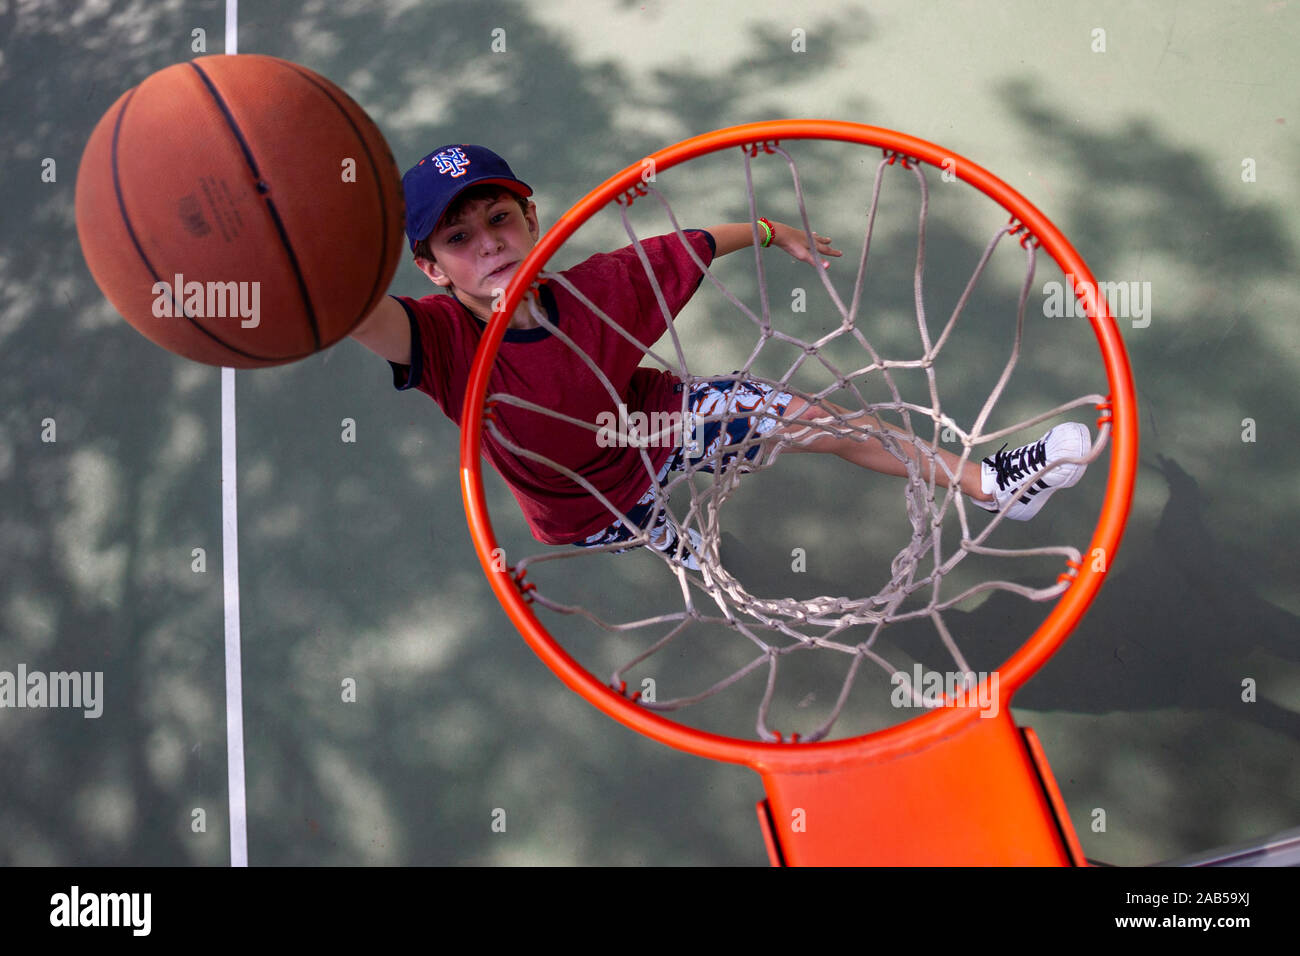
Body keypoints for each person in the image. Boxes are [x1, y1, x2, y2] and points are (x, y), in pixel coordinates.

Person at [349, 145, 1089, 568]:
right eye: (458, 238)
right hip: (583, 506)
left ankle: (990, 484)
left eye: (500, 218)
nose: (488, 243)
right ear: (434, 270)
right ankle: (674, 542)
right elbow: (354, 315)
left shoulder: (604, 287)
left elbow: (694, 243)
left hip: (652, 425)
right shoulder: (442, 342)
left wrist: (771, 230)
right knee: (662, 537)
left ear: (533, 220)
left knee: (805, 415)